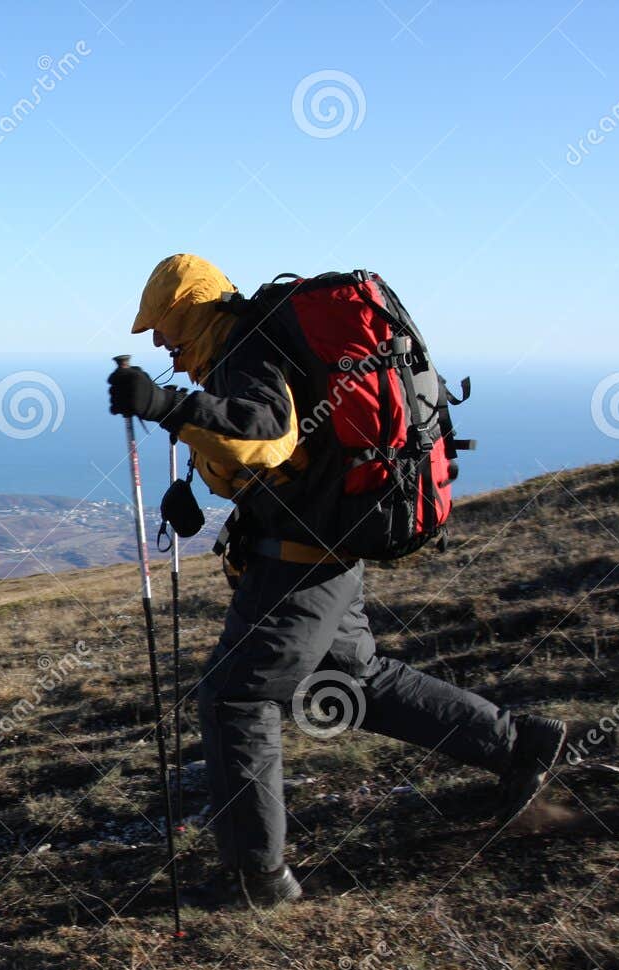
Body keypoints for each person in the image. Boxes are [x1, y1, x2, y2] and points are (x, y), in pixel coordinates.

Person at [107, 253, 567, 909]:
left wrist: (166, 405)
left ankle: (257, 881)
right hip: (322, 545)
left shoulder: (247, 348)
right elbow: (278, 452)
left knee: (234, 699)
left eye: (163, 326)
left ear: (192, 310)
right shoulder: (243, 346)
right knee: (353, 680)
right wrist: (194, 478)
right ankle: (519, 746)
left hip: (301, 561)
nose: (159, 343)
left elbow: (267, 433)